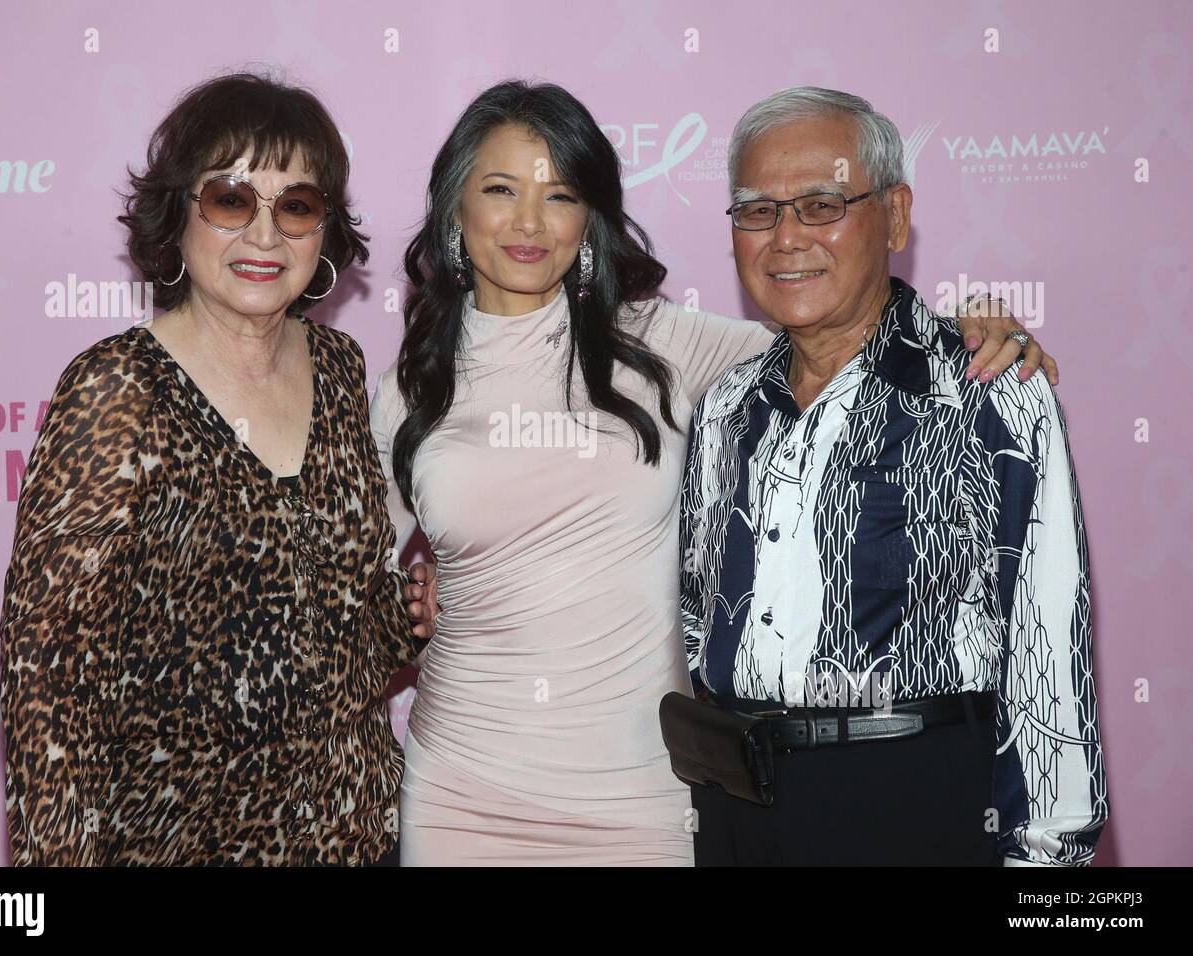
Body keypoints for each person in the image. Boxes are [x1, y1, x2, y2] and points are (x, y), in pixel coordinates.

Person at [374, 80, 1055, 865]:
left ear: (587, 219)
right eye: (500, 189)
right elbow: (350, 597)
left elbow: (845, 341)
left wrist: (967, 324)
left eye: (559, 195)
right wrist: (410, 612)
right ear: (455, 208)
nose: (529, 222)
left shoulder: (662, 343)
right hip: (463, 786)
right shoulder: (406, 394)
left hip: (641, 793)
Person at [0, 72, 426, 866]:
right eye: (232, 199)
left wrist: (407, 617)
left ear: (324, 231)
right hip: (178, 845)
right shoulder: (118, 389)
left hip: (356, 836)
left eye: (296, 205)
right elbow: (50, 682)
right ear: (179, 214)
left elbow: (339, 636)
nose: (265, 237)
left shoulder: (339, 366)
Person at [673, 86, 1107, 865]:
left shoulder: (989, 388)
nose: (786, 238)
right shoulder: (725, 407)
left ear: (897, 217)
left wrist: (1051, 863)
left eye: (821, 204)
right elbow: (702, 616)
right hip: (736, 805)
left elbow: (1045, 646)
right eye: (757, 211)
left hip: (917, 803)